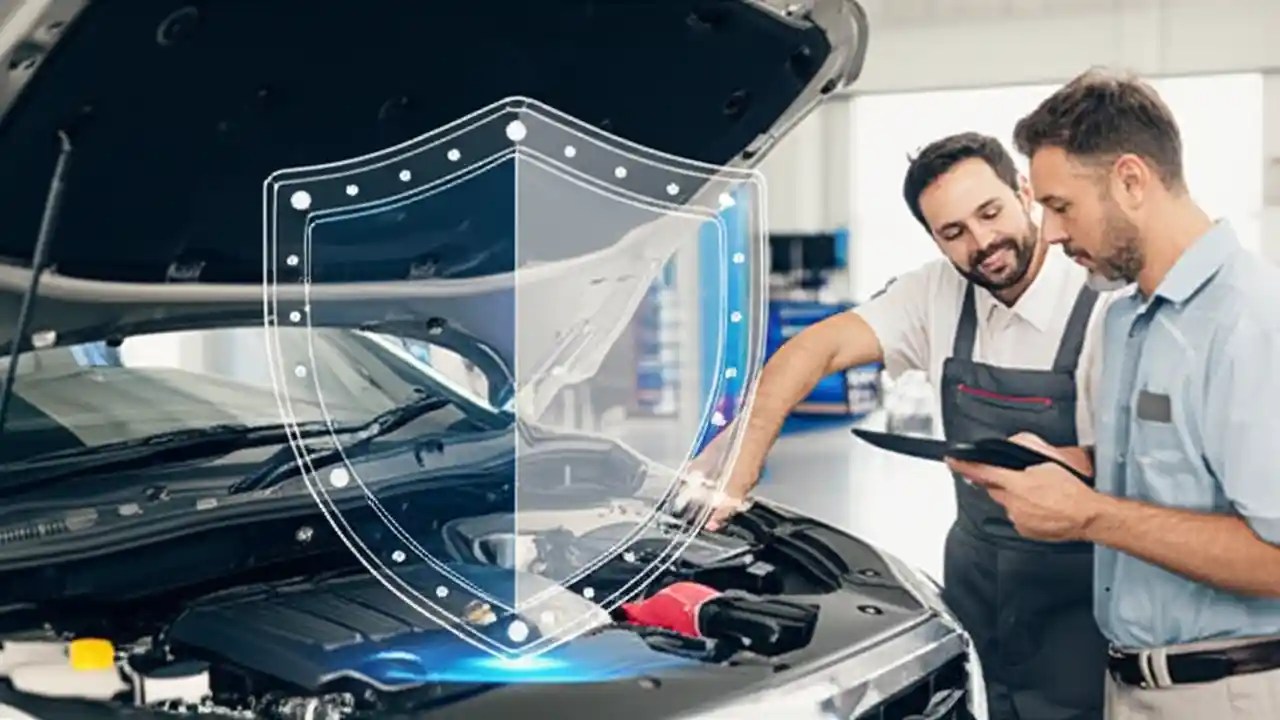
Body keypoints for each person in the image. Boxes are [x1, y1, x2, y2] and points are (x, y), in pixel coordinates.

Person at [682, 131, 1113, 719]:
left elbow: (1144, 465)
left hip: (1080, 594)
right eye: (953, 232)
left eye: (990, 213)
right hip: (977, 580)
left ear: (1024, 191)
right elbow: (818, 349)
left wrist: (1073, 466)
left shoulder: (1101, 300)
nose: (982, 242)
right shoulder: (934, 292)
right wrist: (739, 459)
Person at [947, 68, 1280, 720]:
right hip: (1125, 685)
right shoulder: (1126, 317)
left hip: (1233, 693)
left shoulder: (1253, 321)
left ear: (1131, 180)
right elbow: (1160, 475)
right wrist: (1057, 465)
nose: (1049, 234)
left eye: (1061, 207)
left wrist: (1089, 515)